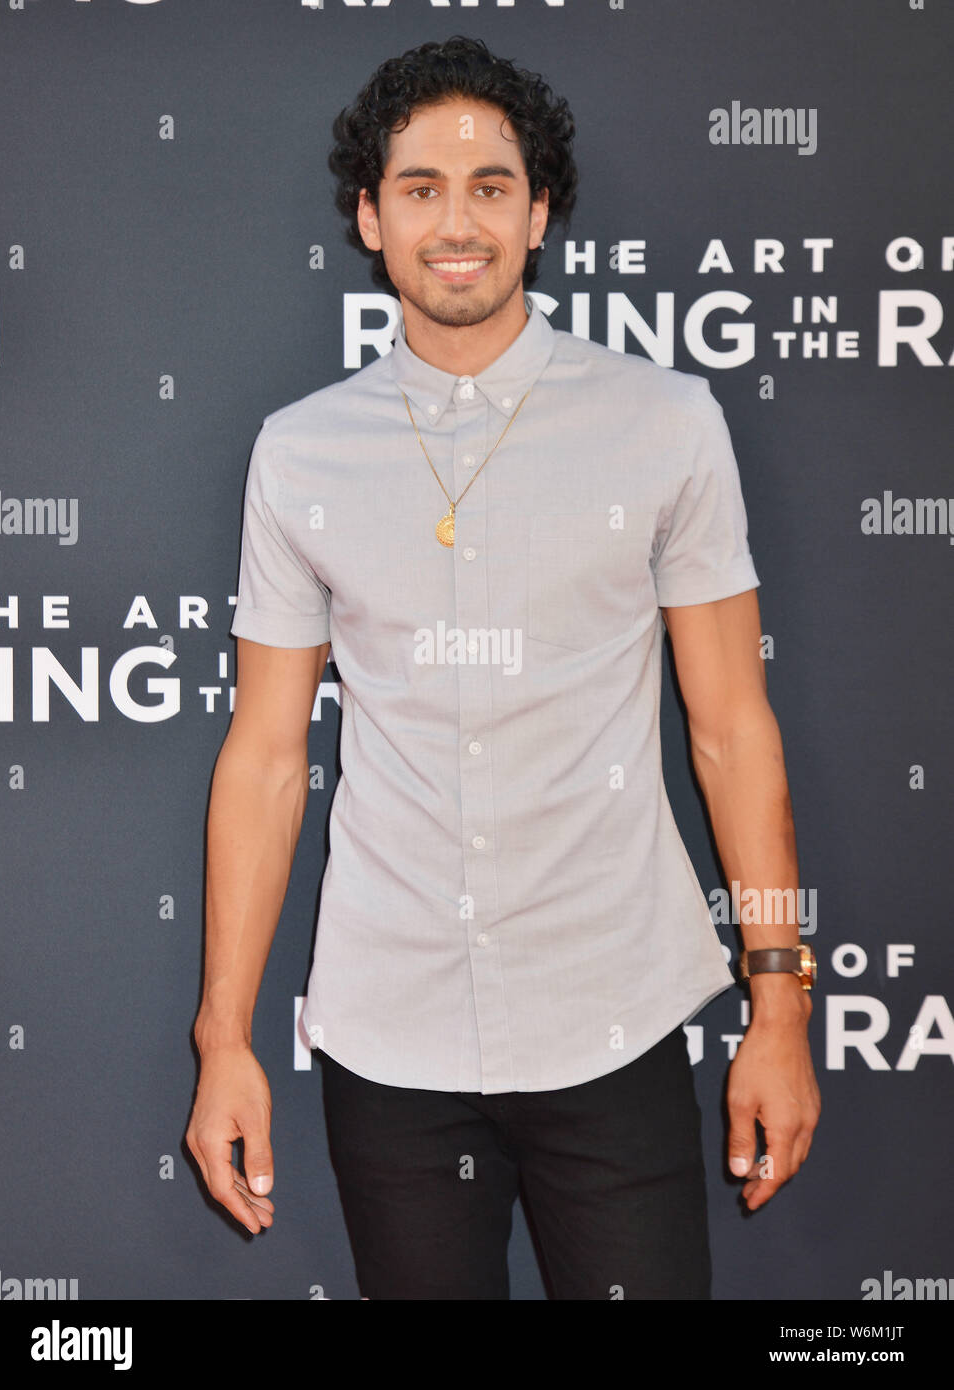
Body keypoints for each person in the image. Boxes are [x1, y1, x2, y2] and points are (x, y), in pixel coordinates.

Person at [186, 35, 820, 1300]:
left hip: (615, 1021)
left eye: (489, 186)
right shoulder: (300, 454)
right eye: (420, 187)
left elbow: (732, 731)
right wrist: (224, 1037)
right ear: (371, 218)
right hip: (389, 1038)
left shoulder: (665, 422)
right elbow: (264, 755)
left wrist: (783, 1007)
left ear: (539, 213)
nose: (455, 220)